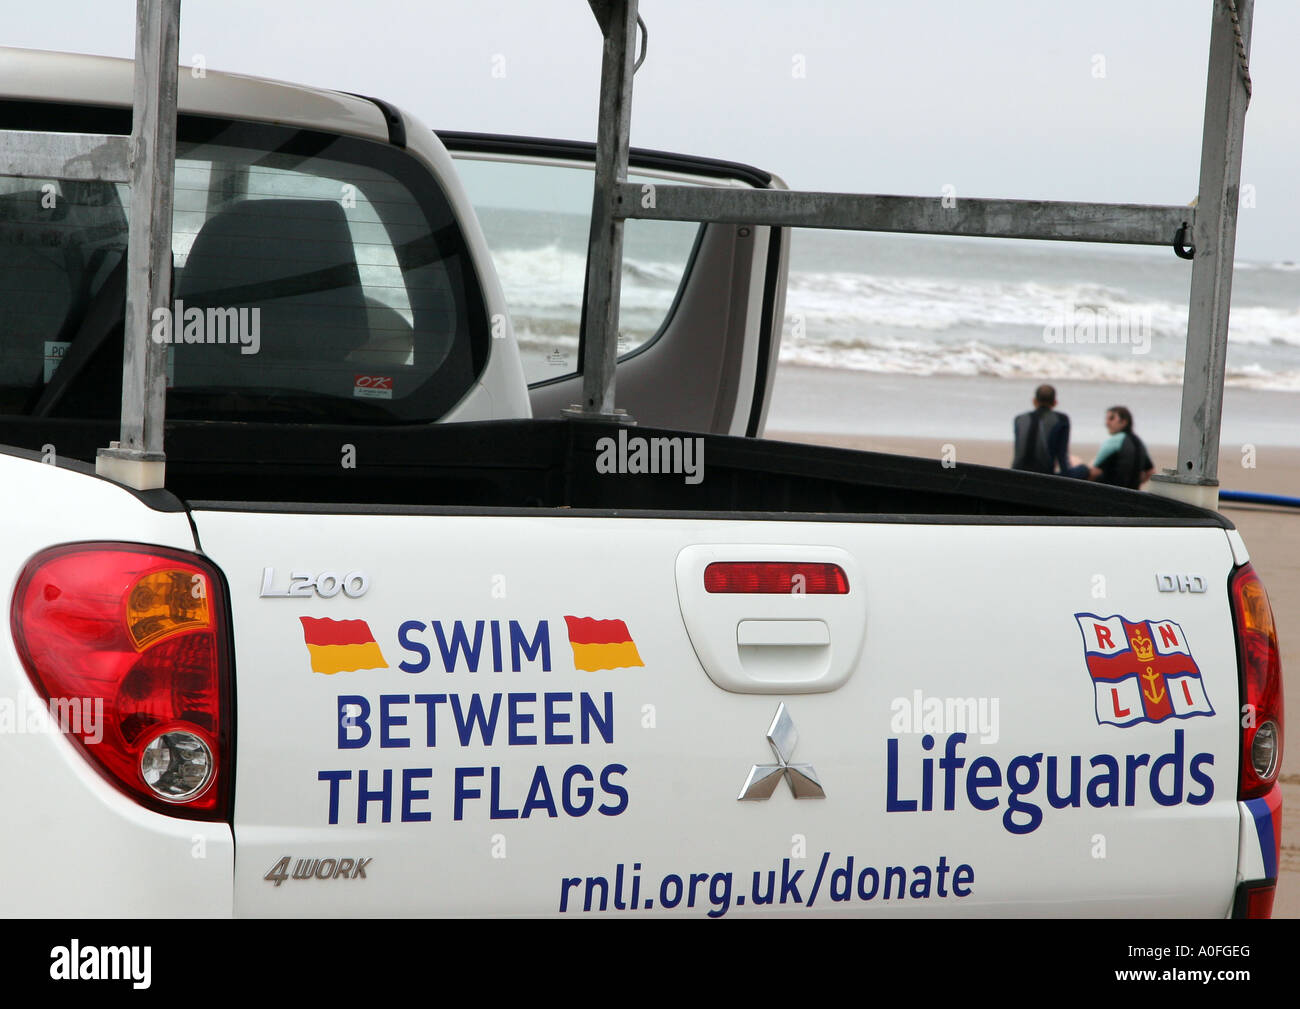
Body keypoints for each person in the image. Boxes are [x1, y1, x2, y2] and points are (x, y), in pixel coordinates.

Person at [1064, 406, 1155, 488]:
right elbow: (1150, 472)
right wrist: (1135, 484)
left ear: (1124, 422)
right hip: (1132, 491)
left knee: (1076, 462)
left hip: (1110, 490)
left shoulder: (1116, 440)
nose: (1106, 423)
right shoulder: (1139, 442)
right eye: (1106, 419)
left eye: (1111, 419)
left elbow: (1093, 471)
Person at [1011, 384, 1071, 474]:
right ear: (1055, 402)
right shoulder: (1061, 420)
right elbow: (1062, 456)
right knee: (1083, 469)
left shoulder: (1019, 419)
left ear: (1034, 401)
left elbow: (1018, 452)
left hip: (1017, 473)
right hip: (1044, 475)